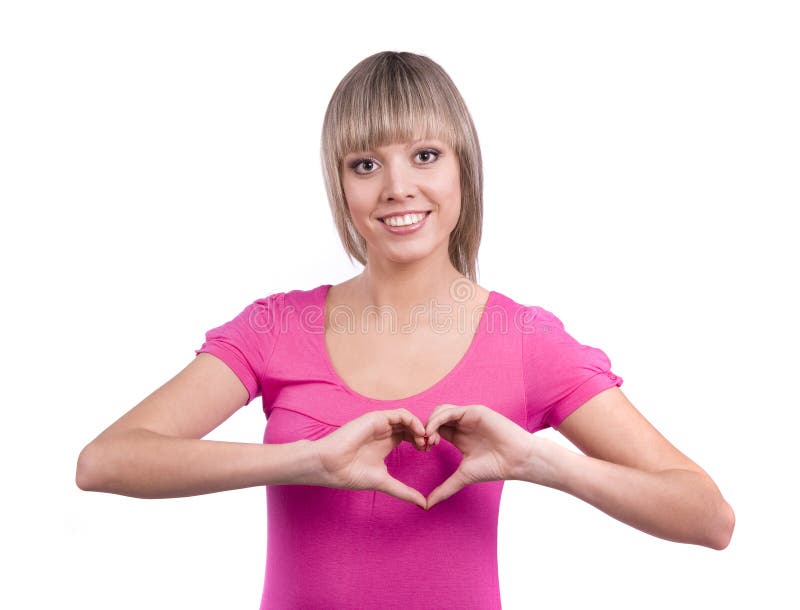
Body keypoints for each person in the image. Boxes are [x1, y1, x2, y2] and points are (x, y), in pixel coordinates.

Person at [76, 51, 735, 609]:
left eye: (424, 155)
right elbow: (105, 461)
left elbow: (708, 517)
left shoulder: (524, 341)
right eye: (366, 164)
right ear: (340, 184)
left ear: (462, 170)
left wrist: (539, 462)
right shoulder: (278, 325)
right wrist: (309, 461)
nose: (398, 187)